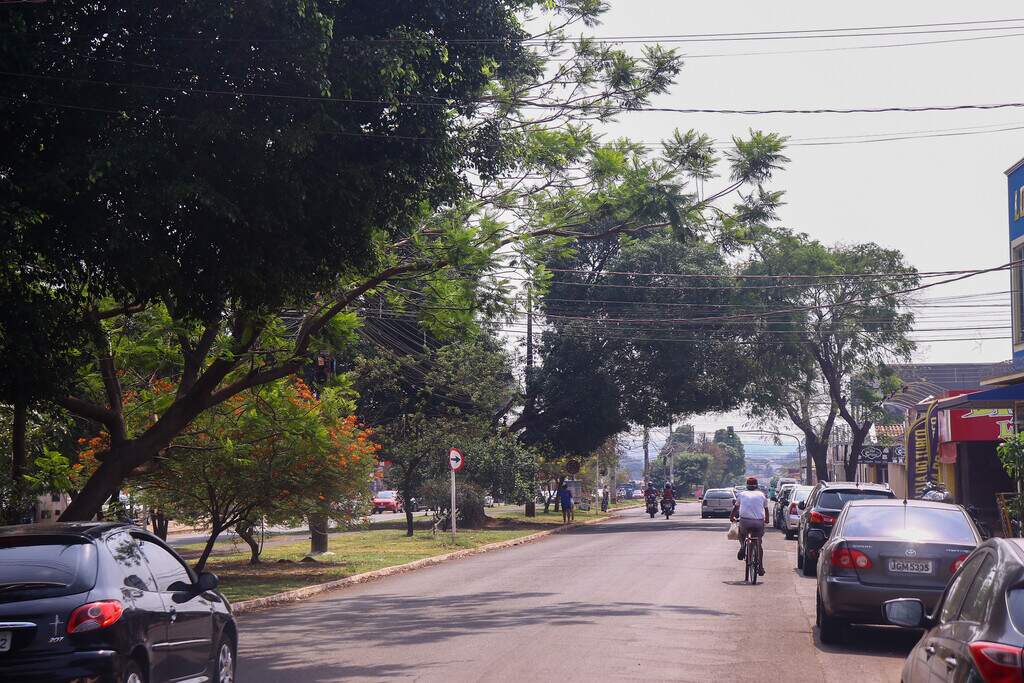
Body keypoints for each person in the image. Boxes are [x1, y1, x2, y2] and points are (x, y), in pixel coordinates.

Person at [731, 476, 769, 575]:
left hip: (745, 521)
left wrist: (732, 517)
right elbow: (766, 509)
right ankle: (760, 567)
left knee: (741, 533)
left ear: (746, 485)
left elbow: (736, 508)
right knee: (759, 543)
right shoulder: (762, 495)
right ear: (756, 486)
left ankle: (743, 545)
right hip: (758, 522)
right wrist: (767, 520)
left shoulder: (741, 494)